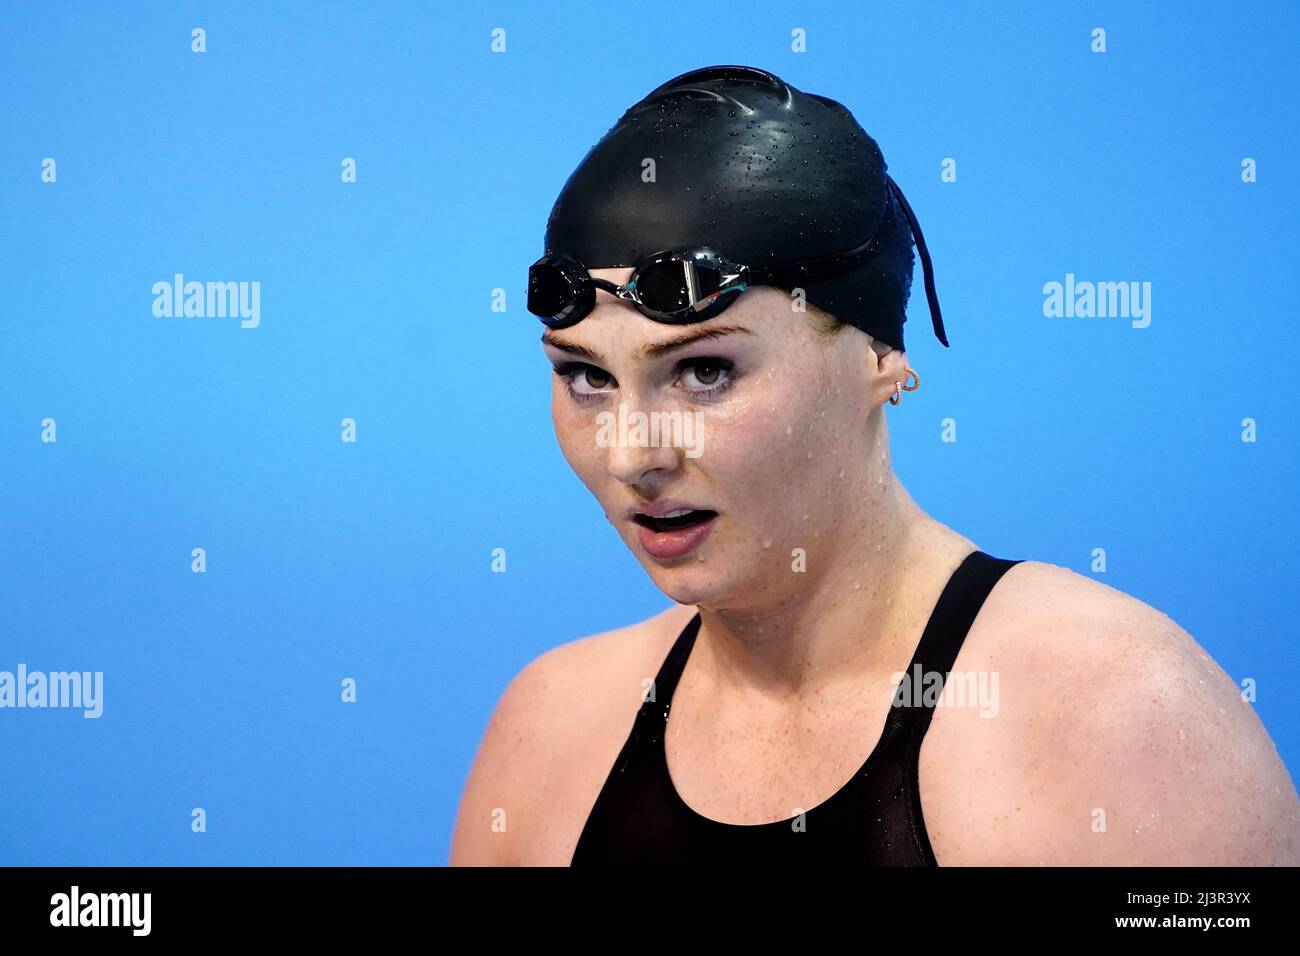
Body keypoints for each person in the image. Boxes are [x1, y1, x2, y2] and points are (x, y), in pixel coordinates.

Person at [450, 65, 1299, 865]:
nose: (631, 455)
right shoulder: (554, 730)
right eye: (586, 377)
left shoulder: (1112, 718)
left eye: (705, 371)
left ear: (881, 360)